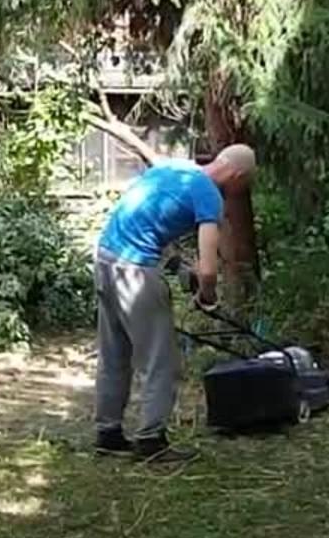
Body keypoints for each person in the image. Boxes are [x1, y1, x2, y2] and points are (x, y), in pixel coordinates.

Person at [93, 143, 256, 462]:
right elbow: (209, 270)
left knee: (114, 354)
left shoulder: (173, 168)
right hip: (136, 271)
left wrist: (181, 270)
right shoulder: (208, 193)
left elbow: (145, 221)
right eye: (244, 185)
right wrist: (207, 296)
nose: (240, 193)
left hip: (104, 260)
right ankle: (151, 441)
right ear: (236, 175)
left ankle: (108, 433)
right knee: (160, 359)